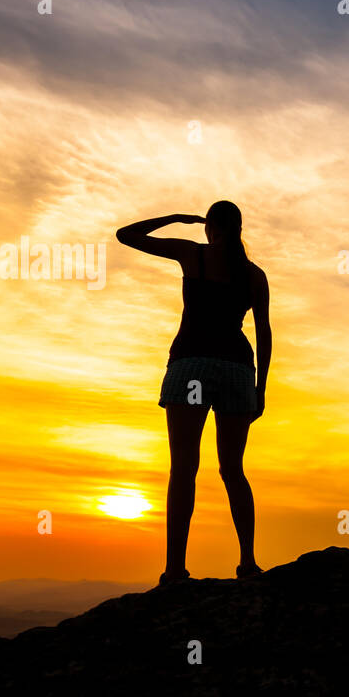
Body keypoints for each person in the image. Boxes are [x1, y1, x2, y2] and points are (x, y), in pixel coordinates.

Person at [115, 201, 271, 585]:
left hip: (192, 365)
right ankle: (248, 562)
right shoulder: (254, 275)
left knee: (184, 468)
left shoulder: (192, 253)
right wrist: (260, 387)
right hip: (237, 369)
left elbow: (126, 235)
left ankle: (174, 570)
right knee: (233, 469)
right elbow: (264, 333)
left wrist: (175, 218)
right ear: (238, 228)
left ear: (210, 227)